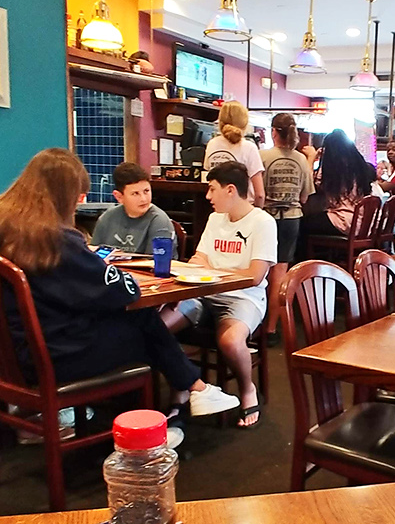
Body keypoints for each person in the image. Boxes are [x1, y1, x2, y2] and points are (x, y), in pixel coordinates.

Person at [0, 149, 236, 439]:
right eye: (77, 196)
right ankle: (160, 418)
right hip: (55, 359)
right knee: (142, 320)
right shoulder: (55, 241)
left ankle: (191, 389)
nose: (79, 203)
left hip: (13, 354)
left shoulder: (9, 229)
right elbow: (122, 290)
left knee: (130, 321)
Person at [165, 162, 277, 427]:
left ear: (230, 190)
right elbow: (199, 258)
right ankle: (183, 385)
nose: (208, 196)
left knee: (230, 341)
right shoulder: (215, 218)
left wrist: (213, 271)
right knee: (159, 326)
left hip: (245, 297)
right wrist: (204, 270)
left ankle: (247, 389)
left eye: (212, 189)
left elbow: (255, 276)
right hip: (204, 293)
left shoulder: (263, 222)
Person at [261, 113, 314, 344]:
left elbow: (256, 194)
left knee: (260, 271)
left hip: (266, 218)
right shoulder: (301, 160)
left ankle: (254, 323)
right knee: (280, 274)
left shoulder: (262, 156)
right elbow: (304, 197)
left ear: (273, 131)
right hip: (291, 219)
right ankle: (272, 328)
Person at [298, 129, 378, 251]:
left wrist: (312, 158)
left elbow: (308, 182)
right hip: (363, 224)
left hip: (344, 221)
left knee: (302, 224)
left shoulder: (333, 169)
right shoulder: (361, 167)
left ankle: (308, 261)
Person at [91, 162, 177, 256]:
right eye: (135, 193)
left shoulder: (159, 221)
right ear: (119, 197)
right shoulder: (107, 218)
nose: (143, 199)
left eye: (146, 191)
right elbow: (93, 256)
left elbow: (154, 261)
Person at [203, 100, 265, 205]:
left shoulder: (212, 144)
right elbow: (259, 195)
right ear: (245, 123)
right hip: (242, 210)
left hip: (218, 208)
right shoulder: (249, 147)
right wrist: (256, 212)